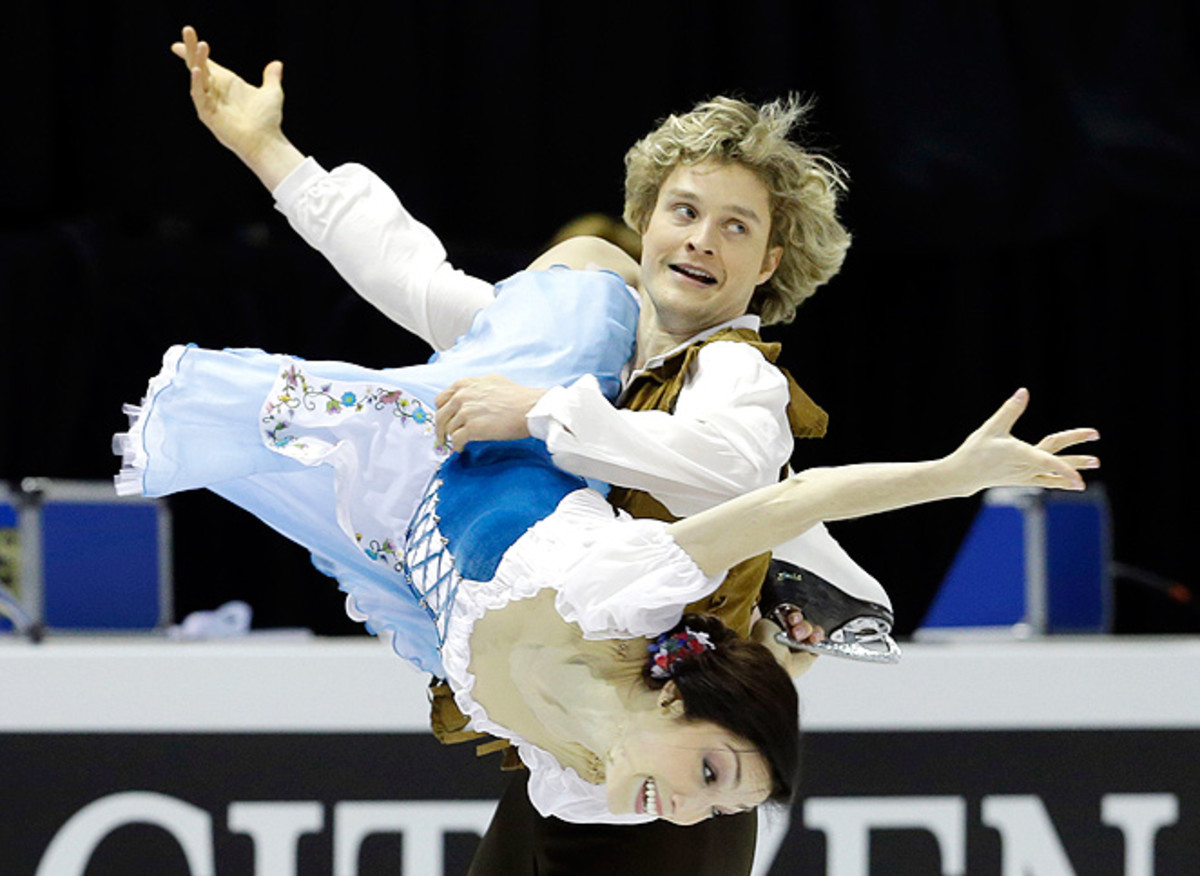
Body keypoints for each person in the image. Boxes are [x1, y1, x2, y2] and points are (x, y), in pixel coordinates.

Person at [115, 264, 1098, 825]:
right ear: (679, 697)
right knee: (592, 276)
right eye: (710, 776)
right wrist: (953, 474)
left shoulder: (581, 790)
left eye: (720, 808)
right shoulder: (623, 591)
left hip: (393, 545)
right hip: (487, 432)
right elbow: (792, 499)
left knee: (256, 454)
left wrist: (781, 665)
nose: (687, 812)